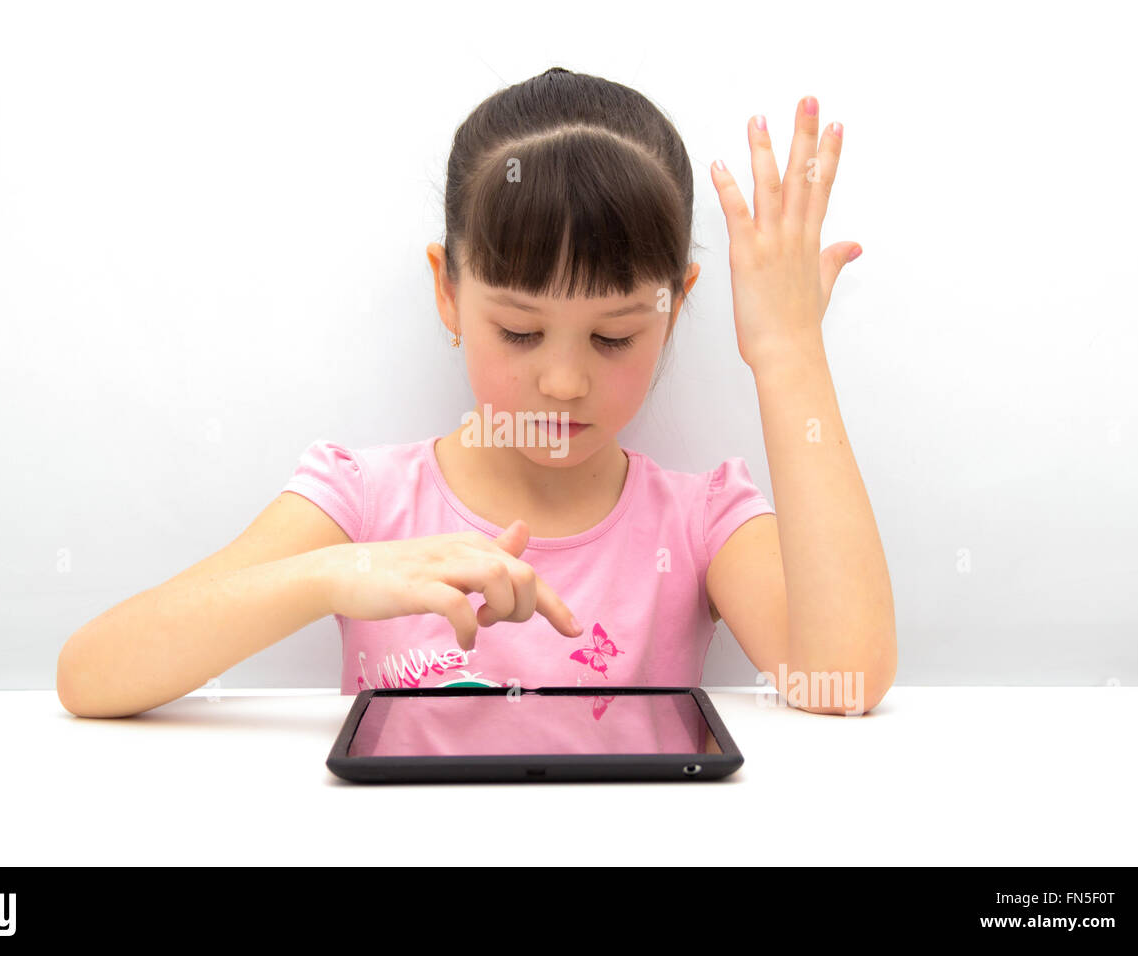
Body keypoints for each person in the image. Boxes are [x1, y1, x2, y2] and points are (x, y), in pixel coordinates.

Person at [57, 67, 896, 719]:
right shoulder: (364, 501)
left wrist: (789, 351)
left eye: (614, 338)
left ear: (674, 309)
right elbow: (92, 675)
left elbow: (846, 678)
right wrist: (334, 574)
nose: (564, 382)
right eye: (521, 332)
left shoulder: (701, 521)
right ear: (449, 292)